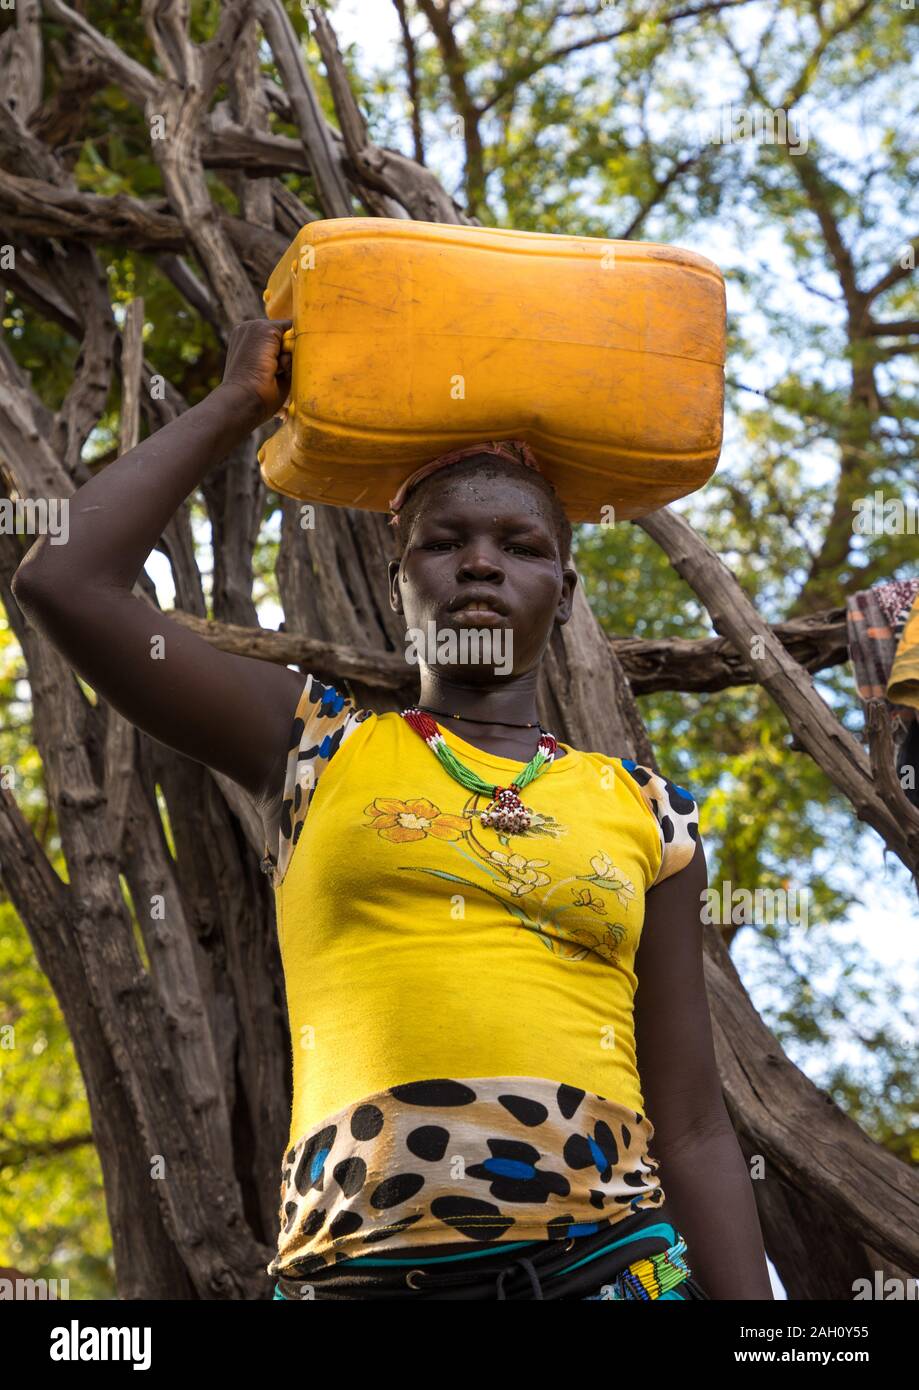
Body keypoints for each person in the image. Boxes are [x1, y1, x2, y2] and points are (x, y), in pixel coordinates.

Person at [12, 318, 774, 1301]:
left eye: (521, 544)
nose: (481, 563)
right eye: (444, 541)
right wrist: (237, 402)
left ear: (564, 585)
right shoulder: (318, 750)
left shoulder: (647, 815)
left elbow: (698, 1125)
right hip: (353, 1279)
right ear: (397, 577)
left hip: (606, 1268)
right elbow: (66, 581)